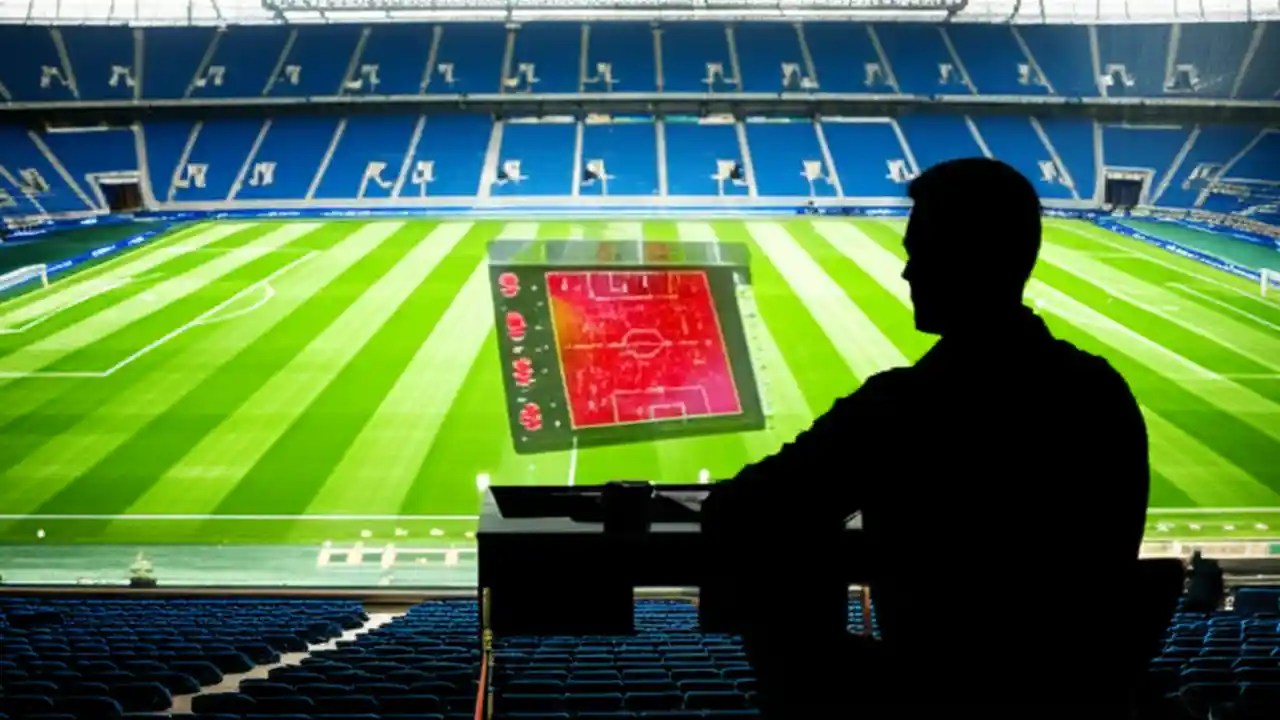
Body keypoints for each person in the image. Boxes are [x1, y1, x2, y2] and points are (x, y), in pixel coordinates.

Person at [701, 158, 1151, 718]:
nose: (907, 274)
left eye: (921, 254)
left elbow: (745, 510)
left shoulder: (902, 406)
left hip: (931, 695)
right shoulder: (1103, 394)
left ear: (967, 261)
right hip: (1078, 698)